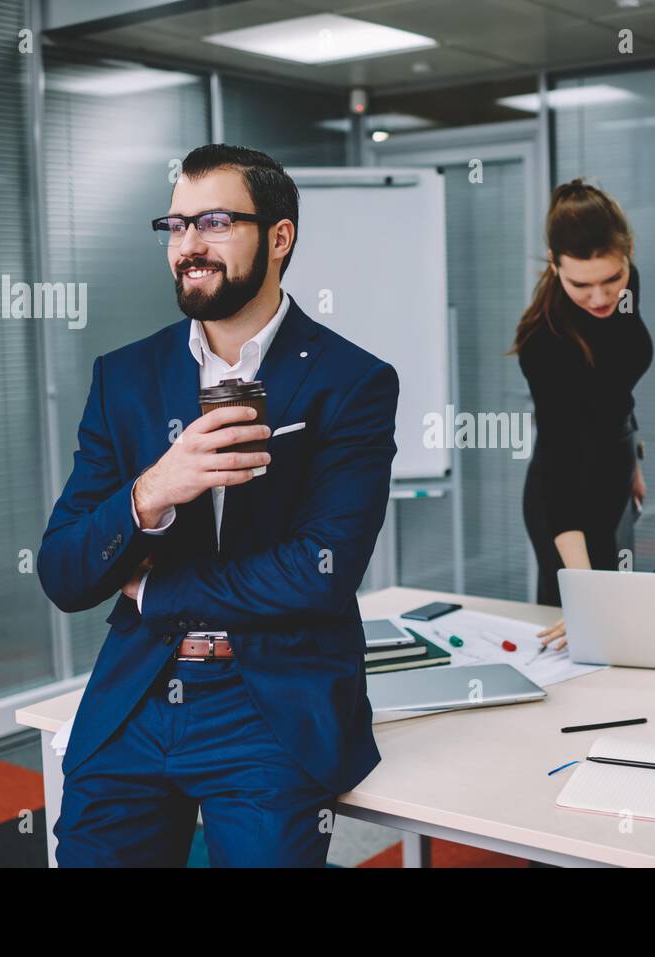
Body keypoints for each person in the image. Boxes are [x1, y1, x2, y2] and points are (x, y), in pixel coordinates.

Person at [38, 144, 399, 866]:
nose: (188, 247)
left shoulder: (352, 382)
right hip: (139, 692)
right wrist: (150, 494)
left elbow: (318, 573)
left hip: (267, 702)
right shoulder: (126, 377)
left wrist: (158, 586)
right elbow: (64, 571)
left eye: (212, 222)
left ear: (279, 236)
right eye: (174, 226)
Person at [511, 179, 653, 649]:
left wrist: (631, 456)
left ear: (628, 252)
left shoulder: (626, 285)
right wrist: (582, 585)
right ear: (554, 265)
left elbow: (616, 389)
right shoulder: (544, 341)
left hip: (611, 470)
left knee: (616, 616)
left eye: (611, 279)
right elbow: (558, 461)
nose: (599, 297)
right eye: (581, 285)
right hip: (562, 496)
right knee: (578, 619)